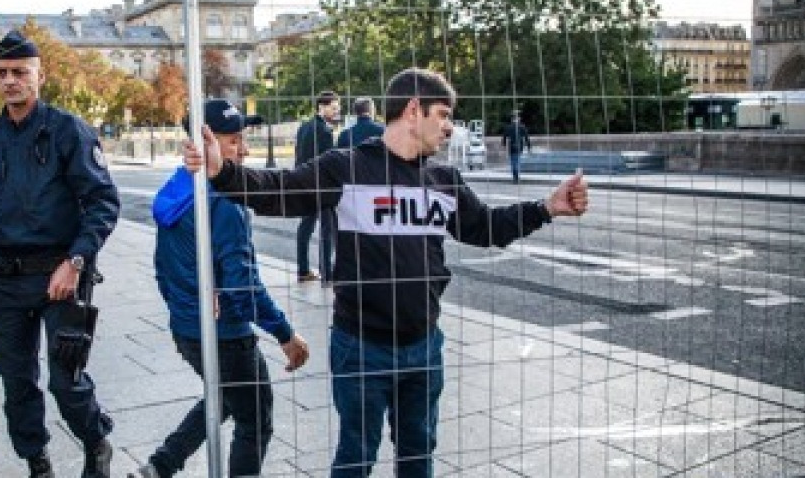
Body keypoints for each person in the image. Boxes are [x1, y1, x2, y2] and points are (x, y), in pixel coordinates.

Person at [184, 68, 589, 478]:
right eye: (443, 115)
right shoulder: (349, 167)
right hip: (362, 347)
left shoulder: (443, 180)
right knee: (356, 458)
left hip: (425, 348)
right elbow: (280, 190)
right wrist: (223, 173)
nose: (449, 128)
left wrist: (547, 208)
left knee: (418, 455)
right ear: (414, 110)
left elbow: (487, 227)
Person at [0, 30, 120, 478]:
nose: (10, 81)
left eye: (19, 72)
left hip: (60, 278)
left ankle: (95, 440)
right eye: (3, 73)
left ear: (40, 75)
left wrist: (76, 260)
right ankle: (37, 463)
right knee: (17, 385)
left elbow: (103, 202)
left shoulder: (67, 131)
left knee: (66, 382)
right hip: (5, 282)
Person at [131, 99, 311, 478]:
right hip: (225, 334)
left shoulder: (178, 189)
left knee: (223, 397)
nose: (244, 150)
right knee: (256, 420)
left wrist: (189, 301)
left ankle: (160, 467)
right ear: (205, 142)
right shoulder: (226, 202)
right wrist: (285, 333)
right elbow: (243, 288)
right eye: (234, 141)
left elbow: (163, 267)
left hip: (187, 328)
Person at [293, 90, 340, 283]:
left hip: (303, 182)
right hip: (321, 185)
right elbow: (329, 161)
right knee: (327, 230)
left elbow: (298, 155)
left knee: (305, 227)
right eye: (334, 107)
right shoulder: (325, 131)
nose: (337, 111)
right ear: (322, 106)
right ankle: (327, 273)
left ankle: (303, 270)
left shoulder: (304, 127)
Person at [501, 114, 532, 183]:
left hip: (511, 146)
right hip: (519, 146)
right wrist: (529, 147)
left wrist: (503, 146)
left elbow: (504, 137)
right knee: (517, 161)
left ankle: (515, 177)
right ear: (518, 119)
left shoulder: (508, 127)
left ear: (512, 120)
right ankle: (517, 176)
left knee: (513, 162)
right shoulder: (522, 127)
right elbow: (526, 137)